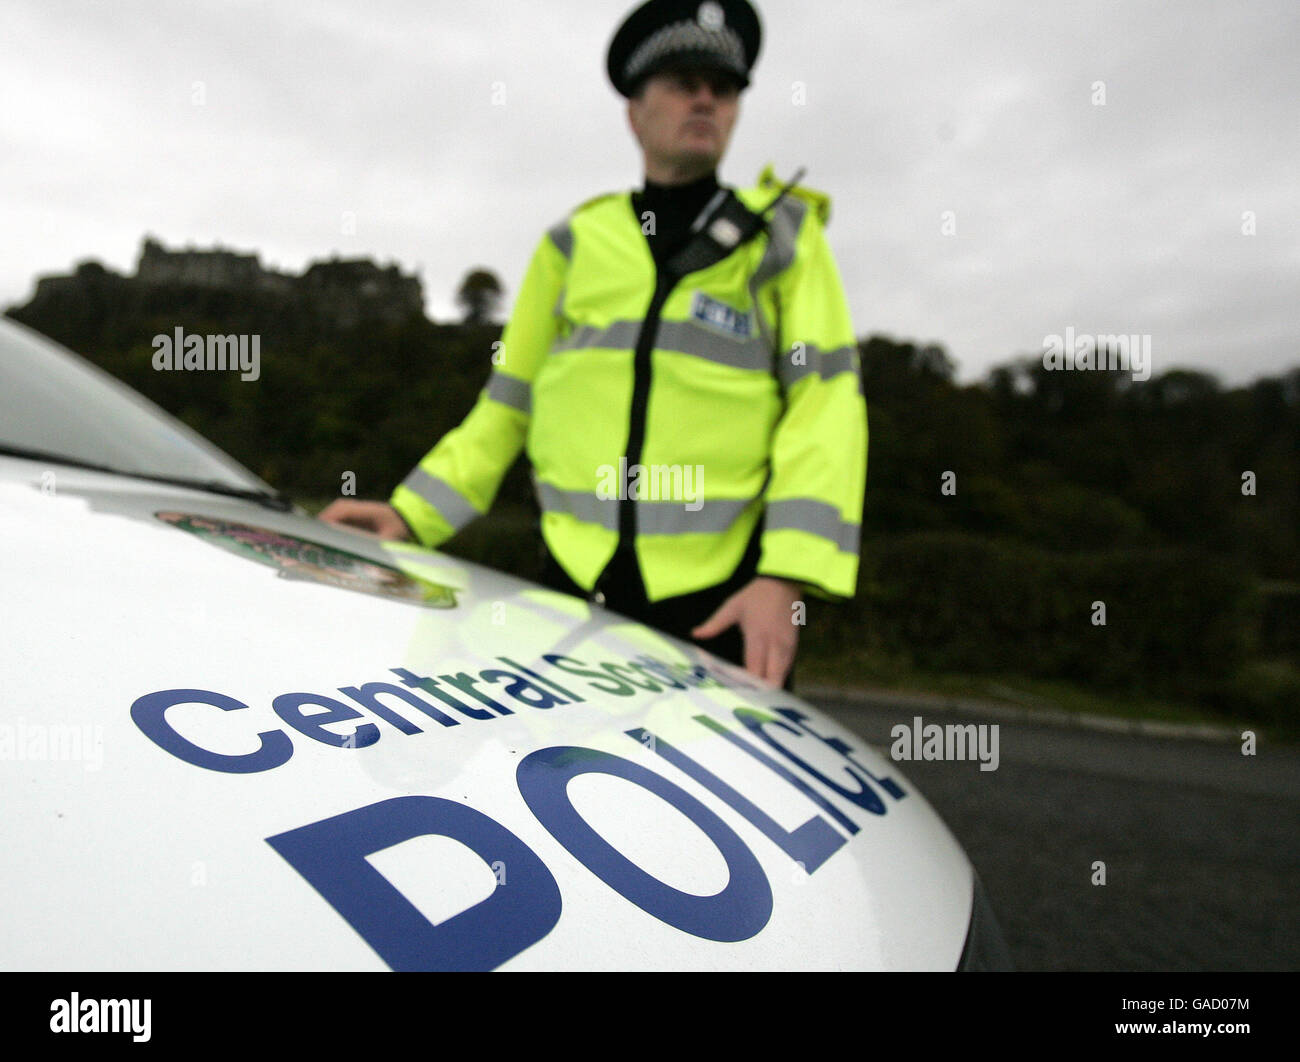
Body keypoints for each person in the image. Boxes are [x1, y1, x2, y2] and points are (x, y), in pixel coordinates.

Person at [320, 0, 866, 689]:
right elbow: (506, 406)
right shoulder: (574, 243)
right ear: (635, 111)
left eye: (722, 88)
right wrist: (411, 513)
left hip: (723, 607)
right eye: (681, 81)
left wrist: (786, 576)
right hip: (572, 595)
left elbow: (826, 404)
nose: (704, 97)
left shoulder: (783, 238)